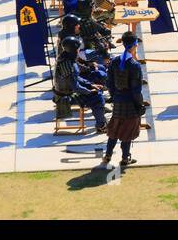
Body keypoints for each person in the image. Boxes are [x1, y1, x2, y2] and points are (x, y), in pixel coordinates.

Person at [103, 32, 145, 169]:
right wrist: (140, 105)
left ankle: (108, 155)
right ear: (134, 46)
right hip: (130, 103)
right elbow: (136, 90)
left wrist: (115, 96)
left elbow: (109, 83)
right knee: (127, 132)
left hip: (118, 101)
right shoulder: (134, 65)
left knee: (114, 129)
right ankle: (125, 158)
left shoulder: (114, 61)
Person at [54, 35, 107, 131]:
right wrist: (90, 91)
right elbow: (76, 87)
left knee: (96, 91)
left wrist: (90, 85)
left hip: (67, 91)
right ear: (73, 50)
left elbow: (76, 77)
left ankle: (101, 118)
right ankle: (101, 125)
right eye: (77, 49)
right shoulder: (69, 64)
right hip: (66, 96)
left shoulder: (65, 57)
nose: (79, 51)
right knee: (97, 98)